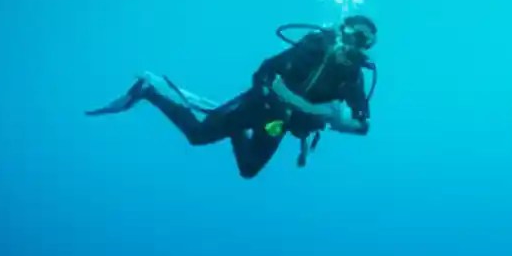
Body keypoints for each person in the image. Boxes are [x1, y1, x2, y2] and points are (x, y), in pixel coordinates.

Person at [86, 15, 378, 178]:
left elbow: (363, 124)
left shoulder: (353, 76)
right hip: (259, 105)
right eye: (354, 36)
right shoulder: (313, 47)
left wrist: (345, 122)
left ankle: (231, 125)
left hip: (279, 122)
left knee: (248, 170)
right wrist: (297, 104)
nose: (357, 45)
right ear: (341, 32)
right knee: (198, 136)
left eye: (365, 42)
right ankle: (149, 90)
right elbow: (264, 73)